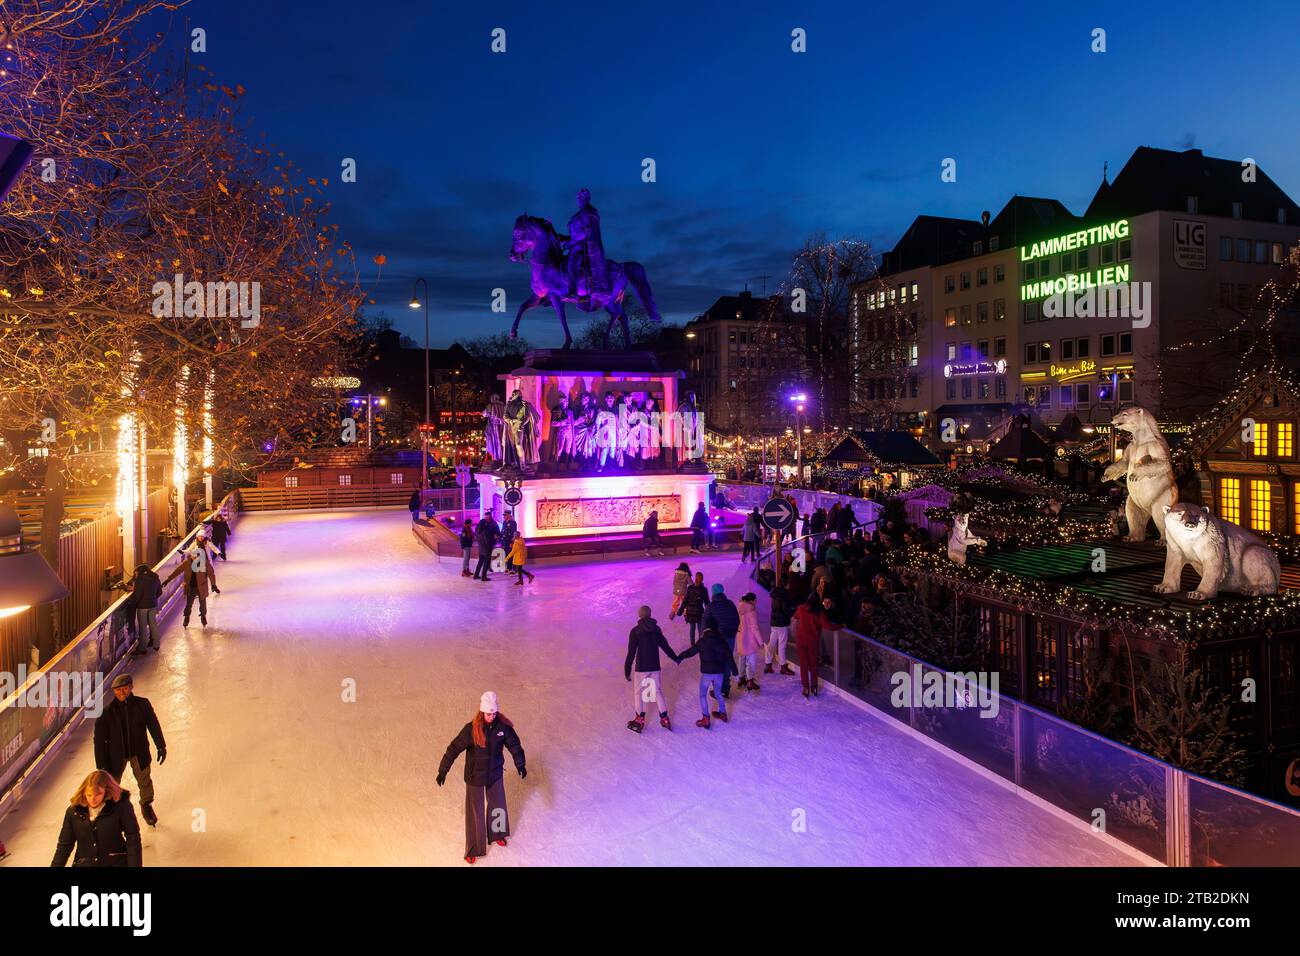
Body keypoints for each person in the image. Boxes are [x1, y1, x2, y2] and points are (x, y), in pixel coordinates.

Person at [436, 691, 527, 864]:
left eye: (493, 713)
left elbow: (515, 745)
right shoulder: (471, 729)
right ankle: (473, 848)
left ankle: (498, 833)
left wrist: (520, 764)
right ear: (482, 712)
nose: (491, 716)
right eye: (488, 714)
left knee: (498, 806)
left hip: (494, 774)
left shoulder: (503, 728)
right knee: (475, 813)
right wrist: (443, 771)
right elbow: (454, 749)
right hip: (474, 777)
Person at [93, 674, 166, 827]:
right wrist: (100, 764)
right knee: (111, 785)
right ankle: (110, 811)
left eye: (125, 689)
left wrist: (161, 745)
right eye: (118, 690)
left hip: (139, 753)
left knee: (144, 781)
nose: (122, 693)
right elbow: (99, 740)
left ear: (131, 687)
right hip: (115, 757)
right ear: (114, 691)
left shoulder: (143, 704)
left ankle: (146, 805)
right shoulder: (106, 712)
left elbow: (153, 725)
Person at [51, 770, 142, 867]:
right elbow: (64, 846)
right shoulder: (73, 812)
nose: (92, 799)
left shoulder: (121, 806)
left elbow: (133, 838)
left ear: (107, 791)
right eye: (89, 794)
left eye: (98, 794)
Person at [624, 605, 681, 732]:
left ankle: (639, 719)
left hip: (642, 667)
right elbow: (665, 646)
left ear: (639, 615)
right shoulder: (656, 629)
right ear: (650, 615)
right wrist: (675, 657)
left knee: (639, 692)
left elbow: (631, 653)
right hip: (655, 666)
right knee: (657, 692)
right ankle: (664, 718)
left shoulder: (635, 631)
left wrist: (627, 670)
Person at [676, 627, 738, 728]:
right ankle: (723, 713)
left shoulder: (702, 641)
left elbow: (691, 652)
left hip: (707, 674)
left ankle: (706, 718)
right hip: (719, 673)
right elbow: (729, 657)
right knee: (718, 692)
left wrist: (680, 657)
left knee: (703, 695)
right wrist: (735, 672)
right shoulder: (722, 641)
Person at [162, 529, 219, 627]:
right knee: (188, 604)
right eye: (193, 555)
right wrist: (168, 579)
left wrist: (213, 584)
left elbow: (211, 573)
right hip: (191, 587)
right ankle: (186, 617)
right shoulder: (187, 563)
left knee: (203, 605)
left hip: (201, 586)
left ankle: (203, 616)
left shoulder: (204, 562)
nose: (194, 557)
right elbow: (177, 571)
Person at [701, 583, 740, 699]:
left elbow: (704, 621)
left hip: (716, 638)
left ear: (713, 593)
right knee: (728, 659)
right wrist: (732, 630)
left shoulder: (711, 606)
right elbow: (737, 619)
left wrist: (704, 636)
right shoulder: (730, 604)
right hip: (730, 637)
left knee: (717, 661)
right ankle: (725, 689)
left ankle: (718, 688)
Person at [793, 593, 832, 699]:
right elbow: (828, 626)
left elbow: (795, 616)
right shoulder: (819, 612)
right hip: (813, 641)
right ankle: (814, 686)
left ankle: (805, 687)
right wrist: (840, 625)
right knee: (813, 664)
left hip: (801, 640)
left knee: (804, 664)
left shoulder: (801, 608)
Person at [129, 563, 163, 652]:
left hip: (142, 607)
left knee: (143, 627)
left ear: (138, 571)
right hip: (153, 605)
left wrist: (132, 603)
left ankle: (142, 648)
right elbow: (159, 592)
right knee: (153, 625)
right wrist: (152, 598)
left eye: (135, 573)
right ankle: (156, 645)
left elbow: (137, 595)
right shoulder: (155, 576)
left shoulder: (140, 579)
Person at [766, 578, 795, 676]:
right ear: (786, 584)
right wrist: (793, 611)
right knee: (782, 644)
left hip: (774, 621)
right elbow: (786, 610)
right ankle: (782, 666)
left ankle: (768, 663)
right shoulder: (784, 595)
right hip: (781, 622)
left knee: (772, 642)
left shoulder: (775, 593)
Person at [736, 593, 763, 691]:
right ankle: (750, 681)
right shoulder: (751, 611)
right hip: (749, 639)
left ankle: (741, 678)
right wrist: (760, 641)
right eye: (755, 600)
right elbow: (754, 628)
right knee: (751, 660)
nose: (756, 602)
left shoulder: (740, 609)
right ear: (751, 601)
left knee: (742, 658)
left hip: (740, 637)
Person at [681, 572, 708, 645]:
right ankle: (700, 643)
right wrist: (709, 612)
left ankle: (692, 644)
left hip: (690, 612)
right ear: (702, 579)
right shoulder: (704, 589)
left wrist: (680, 611)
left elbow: (685, 601)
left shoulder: (690, 588)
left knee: (692, 628)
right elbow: (707, 602)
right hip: (699, 612)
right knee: (700, 628)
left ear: (695, 578)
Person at [473, 513, 499, 581]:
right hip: (487, 546)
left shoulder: (479, 528)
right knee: (486, 561)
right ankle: (484, 577)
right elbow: (493, 533)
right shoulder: (486, 528)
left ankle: (476, 575)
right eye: (488, 516)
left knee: (481, 561)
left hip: (481, 546)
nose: (489, 517)